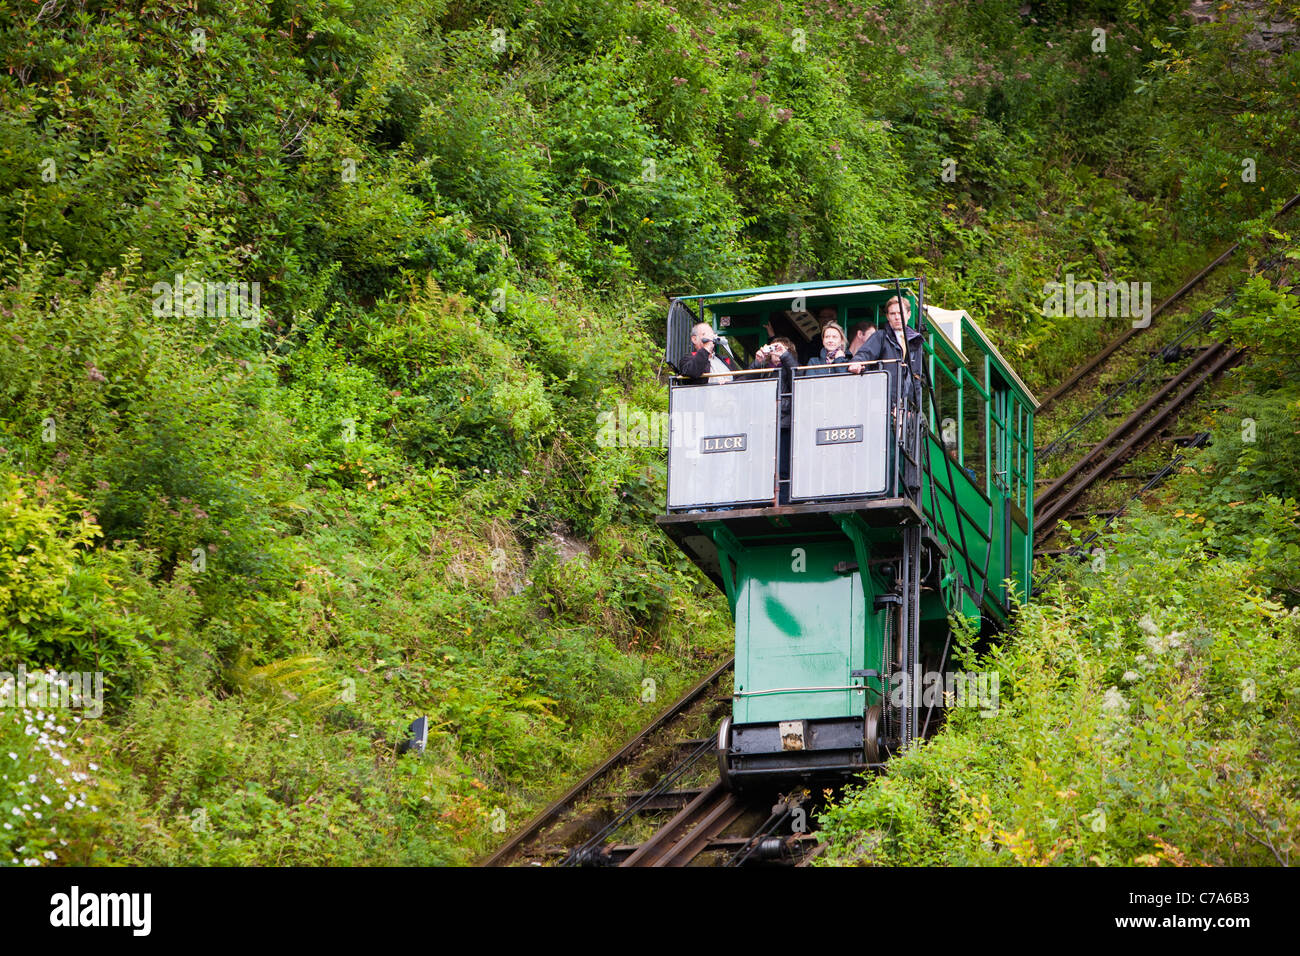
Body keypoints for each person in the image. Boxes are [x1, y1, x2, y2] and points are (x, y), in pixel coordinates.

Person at [848, 295, 924, 405]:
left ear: (908, 314)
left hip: (906, 408)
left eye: (900, 313)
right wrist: (856, 363)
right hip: (882, 404)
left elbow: (917, 379)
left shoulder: (916, 342)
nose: (897, 317)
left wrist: (915, 410)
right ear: (888, 317)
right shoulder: (880, 336)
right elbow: (865, 353)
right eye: (893, 314)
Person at [751, 337, 798, 503]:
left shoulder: (788, 368)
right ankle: (762, 500)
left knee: (783, 467)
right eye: (773, 348)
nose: (776, 352)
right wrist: (757, 362)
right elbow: (745, 383)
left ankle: (783, 500)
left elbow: (797, 377)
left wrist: (785, 356)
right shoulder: (764, 369)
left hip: (783, 423)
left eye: (781, 349)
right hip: (763, 424)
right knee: (762, 467)